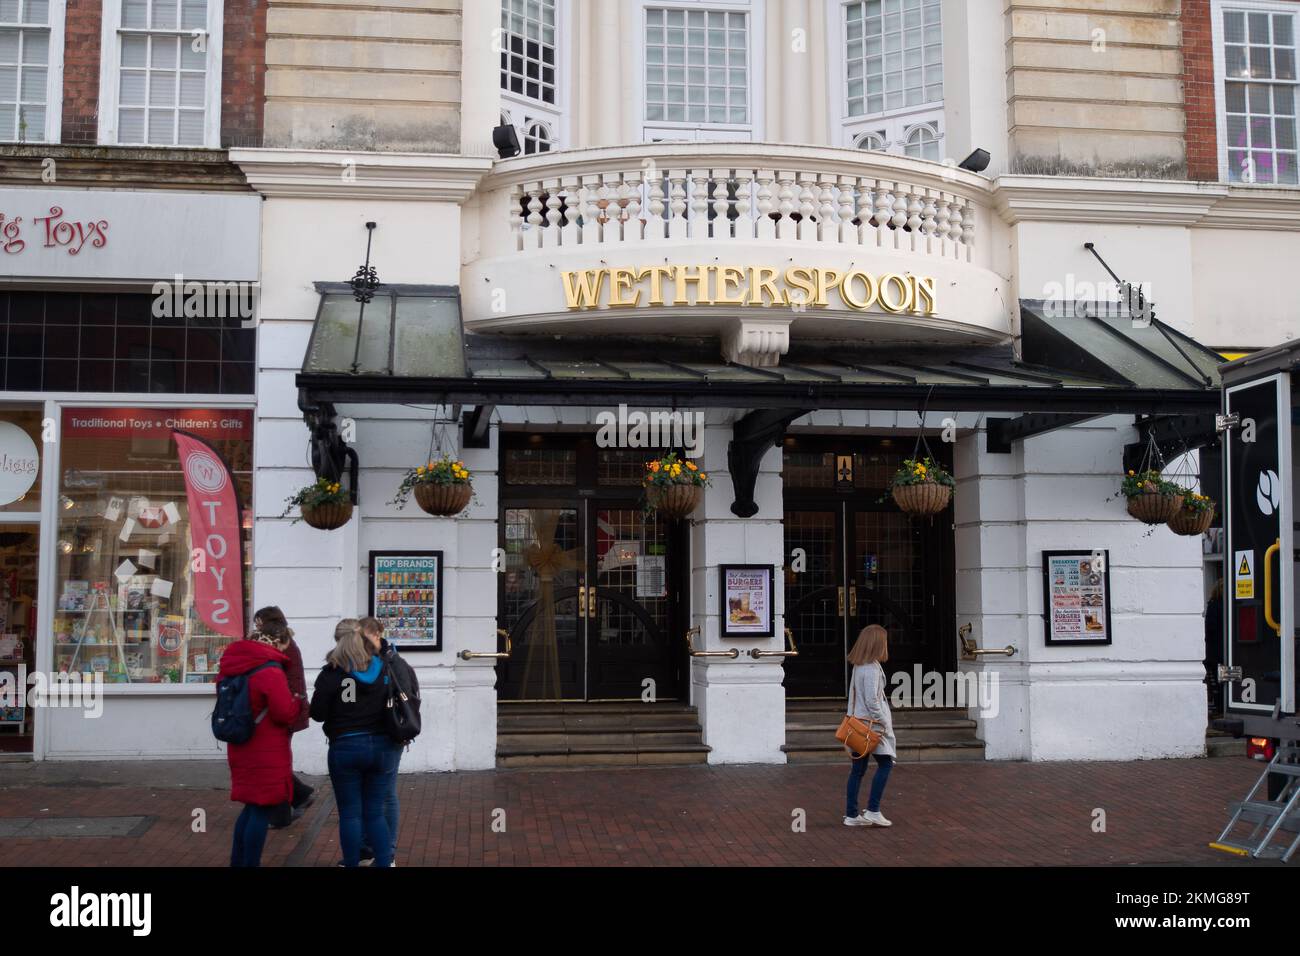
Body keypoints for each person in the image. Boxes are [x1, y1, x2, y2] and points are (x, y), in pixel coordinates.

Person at [310, 618, 411, 867]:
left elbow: (317, 713)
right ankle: (385, 862)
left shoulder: (331, 673)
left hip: (345, 748)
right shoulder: (382, 668)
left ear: (338, 642)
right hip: (382, 748)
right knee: (375, 812)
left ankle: (353, 862)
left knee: (350, 814)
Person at [220, 627, 300, 867]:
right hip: (265, 748)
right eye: (286, 647)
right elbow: (283, 712)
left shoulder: (232, 666)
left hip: (241, 743)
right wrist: (296, 701)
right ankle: (250, 863)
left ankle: (239, 861)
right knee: (261, 808)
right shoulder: (270, 670)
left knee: (251, 806)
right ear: (277, 644)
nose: (287, 652)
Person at [252, 606, 314, 826]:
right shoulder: (285, 645)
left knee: (275, 765)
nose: (256, 626)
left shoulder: (282, 646)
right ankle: (299, 796)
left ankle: (283, 812)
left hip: (282, 713)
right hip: (285, 711)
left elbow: (279, 684)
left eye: (258, 622)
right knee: (276, 763)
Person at [360, 616, 407, 861]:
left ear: (377, 635)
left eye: (365, 636)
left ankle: (387, 852)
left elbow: (407, 696)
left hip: (388, 735)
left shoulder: (393, 662)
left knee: (386, 794)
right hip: (368, 735)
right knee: (368, 795)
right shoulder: (361, 661)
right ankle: (369, 848)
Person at [843, 624, 897, 828]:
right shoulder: (871, 668)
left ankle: (851, 814)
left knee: (857, 770)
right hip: (872, 727)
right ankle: (873, 810)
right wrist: (884, 722)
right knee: (885, 764)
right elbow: (872, 701)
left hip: (857, 725)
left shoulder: (859, 665)